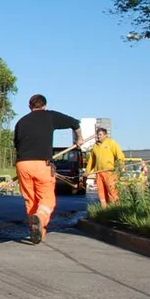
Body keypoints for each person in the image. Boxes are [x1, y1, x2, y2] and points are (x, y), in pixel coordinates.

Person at [13, 94, 83, 244]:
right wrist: (79, 139)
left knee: (30, 199)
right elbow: (75, 123)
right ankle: (40, 218)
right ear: (44, 105)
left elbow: (17, 145)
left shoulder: (21, 122)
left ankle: (37, 232)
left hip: (22, 165)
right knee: (47, 199)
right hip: (41, 164)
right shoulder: (49, 116)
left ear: (29, 106)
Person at [84, 127, 125, 207]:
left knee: (112, 190)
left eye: (100, 134)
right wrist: (87, 171)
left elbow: (120, 155)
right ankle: (104, 209)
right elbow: (91, 160)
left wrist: (121, 165)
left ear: (105, 135)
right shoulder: (95, 146)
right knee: (101, 191)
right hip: (99, 173)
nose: (98, 136)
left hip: (110, 172)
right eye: (97, 135)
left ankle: (115, 208)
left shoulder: (111, 143)